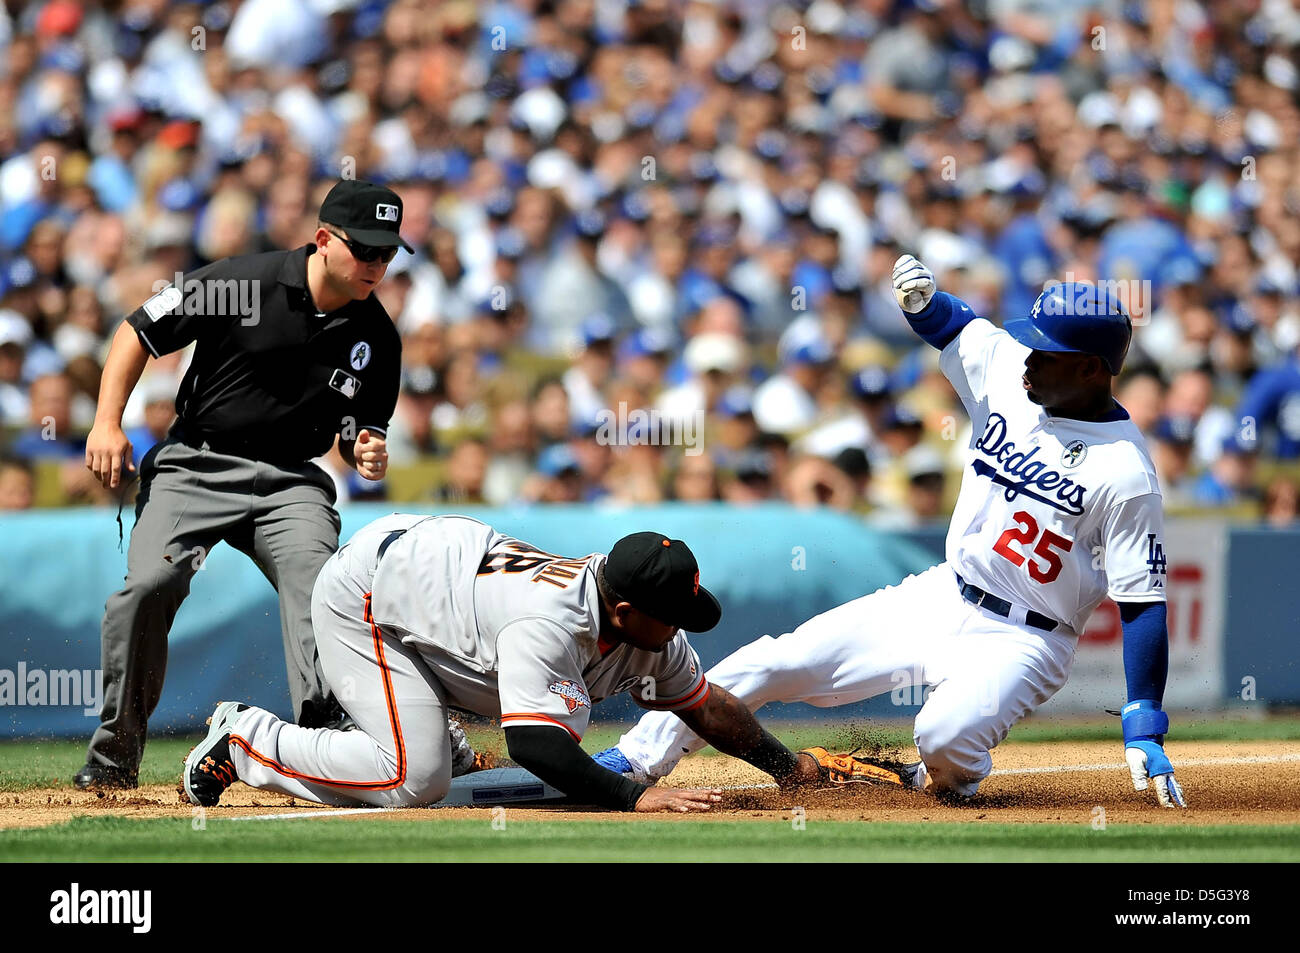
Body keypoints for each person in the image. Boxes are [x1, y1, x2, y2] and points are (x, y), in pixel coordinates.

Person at [595, 256, 1187, 808]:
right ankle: (634, 758)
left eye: (1045, 351)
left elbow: (1142, 604)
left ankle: (936, 779)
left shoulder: (1126, 473)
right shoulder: (1012, 370)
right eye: (1029, 342)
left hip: (1027, 640)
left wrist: (1143, 720)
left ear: (1090, 368)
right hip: (944, 592)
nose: (1027, 356)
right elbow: (953, 325)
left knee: (944, 736)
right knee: (778, 661)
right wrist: (919, 298)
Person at [74, 179, 408, 790]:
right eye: (366, 250)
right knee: (150, 584)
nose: (377, 265)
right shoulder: (242, 281)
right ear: (324, 240)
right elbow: (136, 331)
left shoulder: (377, 336)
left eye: (388, 254)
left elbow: (356, 427)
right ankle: (114, 756)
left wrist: (364, 446)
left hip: (291, 481)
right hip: (198, 463)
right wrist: (105, 421)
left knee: (324, 587)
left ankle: (327, 744)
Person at [182, 515, 818, 811]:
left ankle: (441, 737)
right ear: (623, 611)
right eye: (669, 613)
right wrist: (633, 796)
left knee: (466, 738)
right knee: (414, 781)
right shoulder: (551, 624)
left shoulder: (644, 627)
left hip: (443, 580)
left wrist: (790, 769)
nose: (679, 625)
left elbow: (706, 707)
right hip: (370, 592)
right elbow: (536, 748)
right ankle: (244, 740)